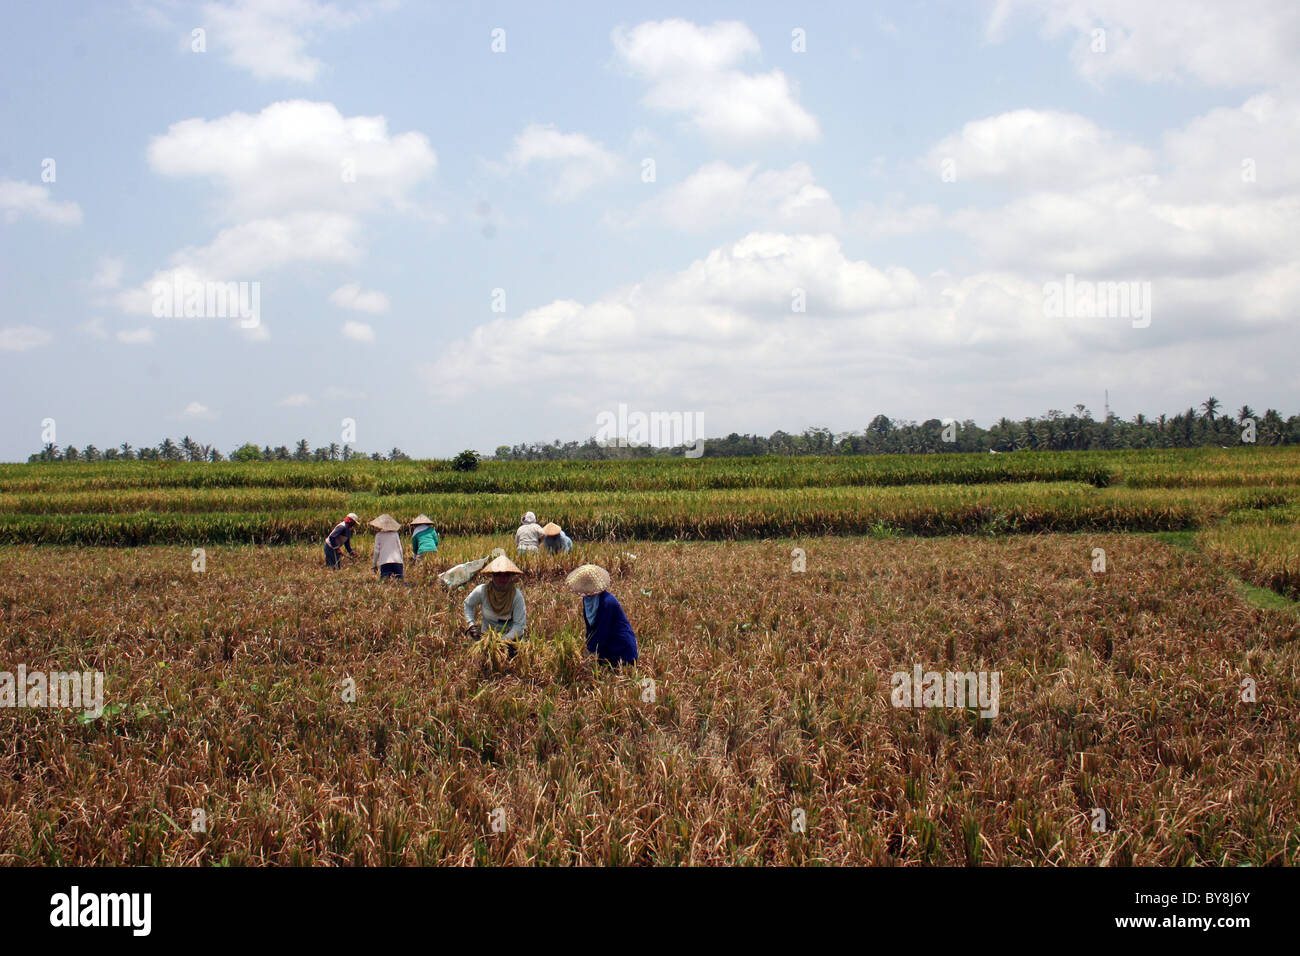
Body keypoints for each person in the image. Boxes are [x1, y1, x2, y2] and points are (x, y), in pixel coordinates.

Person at [565, 564, 638, 666]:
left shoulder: (607, 602)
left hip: (622, 649)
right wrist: (587, 645)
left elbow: (602, 630)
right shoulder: (587, 600)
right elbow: (590, 628)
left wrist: (590, 651)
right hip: (606, 646)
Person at [463, 555, 527, 648]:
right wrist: (471, 624)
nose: (502, 578)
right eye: (498, 574)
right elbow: (468, 604)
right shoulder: (482, 591)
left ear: (511, 576)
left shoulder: (516, 596)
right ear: (492, 575)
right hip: (485, 639)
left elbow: (519, 626)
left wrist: (500, 641)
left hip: (508, 641)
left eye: (506, 574)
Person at [369, 514, 404, 580]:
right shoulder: (395, 534)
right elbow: (400, 548)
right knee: (400, 582)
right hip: (397, 561)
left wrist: (374, 564)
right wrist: (402, 560)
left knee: (385, 582)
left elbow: (376, 551)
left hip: (385, 562)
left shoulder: (379, 535)